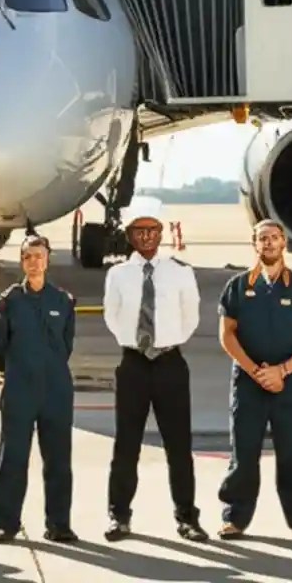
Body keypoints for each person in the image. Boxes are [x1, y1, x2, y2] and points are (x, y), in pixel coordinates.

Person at [101, 197, 208, 542]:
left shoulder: (180, 271)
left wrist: (165, 342)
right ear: (130, 235)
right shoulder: (118, 274)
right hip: (133, 363)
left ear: (161, 233)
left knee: (178, 446)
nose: (146, 236)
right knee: (126, 445)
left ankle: (187, 517)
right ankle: (119, 516)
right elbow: (111, 316)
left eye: (152, 230)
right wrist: (137, 345)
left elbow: (190, 316)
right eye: (139, 231)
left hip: (170, 364)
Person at [216, 219, 292, 542]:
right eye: (262, 238)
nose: (269, 243)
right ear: (255, 244)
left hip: (289, 384)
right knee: (244, 453)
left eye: (274, 237)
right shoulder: (237, 286)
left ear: (283, 243)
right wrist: (256, 371)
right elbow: (227, 335)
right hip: (249, 384)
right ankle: (235, 519)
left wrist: (283, 371)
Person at [0, 235, 78, 544]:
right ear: (22, 262)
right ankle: (6, 523)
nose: (34, 262)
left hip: (56, 391)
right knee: (12, 458)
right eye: (28, 257)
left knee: (59, 461)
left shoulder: (63, 301)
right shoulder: (6, 303)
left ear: (48, 259)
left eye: (39, 256)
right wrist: (16, 372)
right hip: (19, 390)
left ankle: (59, 524)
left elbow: (66, 346)